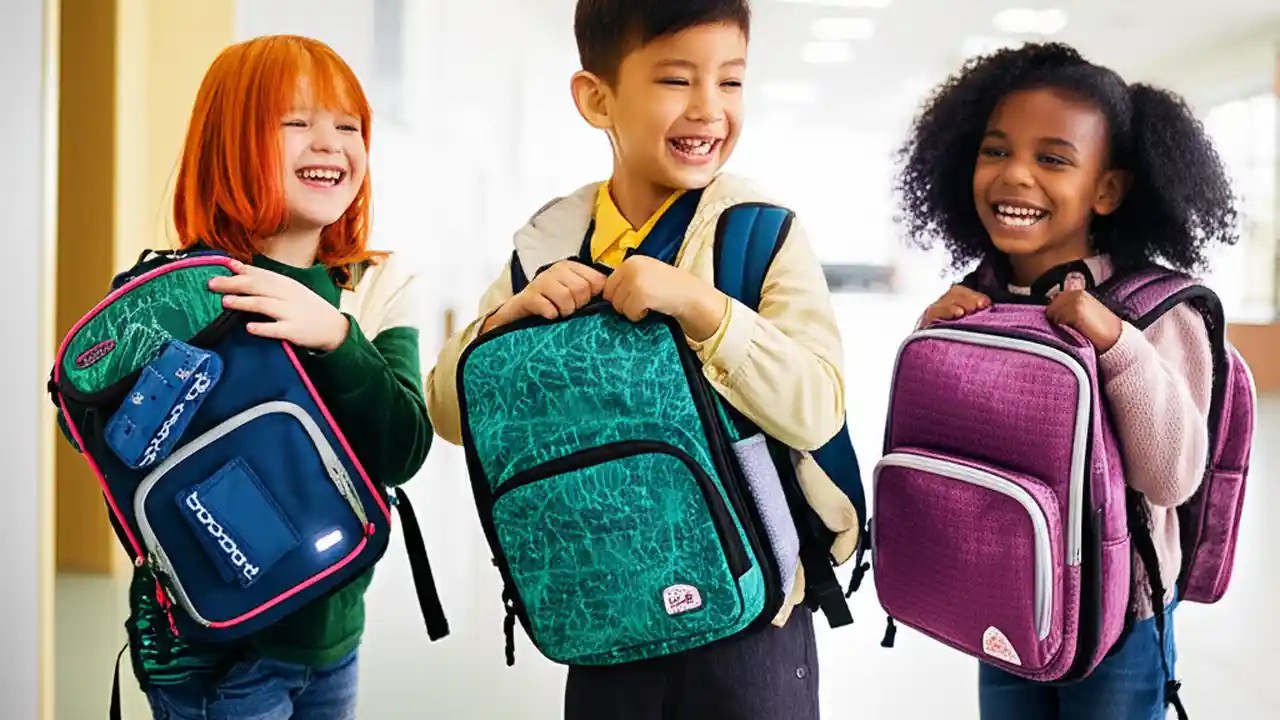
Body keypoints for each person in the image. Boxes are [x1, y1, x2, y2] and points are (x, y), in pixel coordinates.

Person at [425, 1, 858, 718]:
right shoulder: (546, 245)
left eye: (731, 82)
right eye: (675, 80)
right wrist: (506, 321)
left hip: (752, 621)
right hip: (607, 614)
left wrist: (704, 308)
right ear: (598, 98)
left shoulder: (760, 234)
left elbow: (818, 407)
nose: (708, 110)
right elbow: (450, 413)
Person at [896, 41, 1238, 720]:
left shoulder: (1159, 311)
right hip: (1011, 594)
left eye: (1053, 158)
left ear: (1106, 189)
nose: (1014, 175)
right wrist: (936, 337)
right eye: (996, 151)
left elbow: (1172, 477)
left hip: (1126, 614)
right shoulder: (980, 299)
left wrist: (1115, 343)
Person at [137, 34, 433, 720]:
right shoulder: (178, 291)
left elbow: (403, 449)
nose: (328, 143)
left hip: (333, 635)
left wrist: (336, 336)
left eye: (348, 126)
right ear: (230, 142)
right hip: (213, 651)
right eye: (296, 122)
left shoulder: (376, 284)